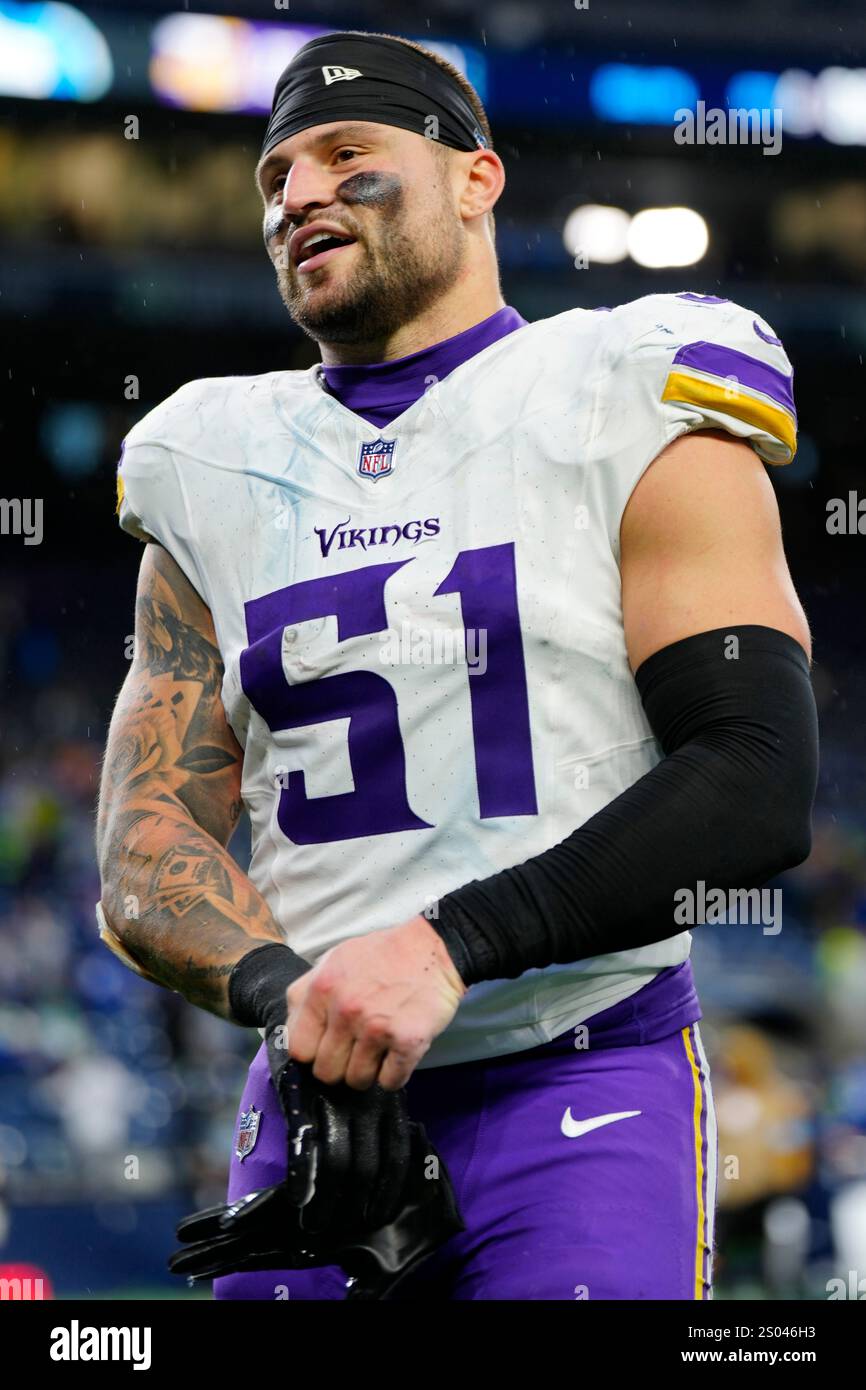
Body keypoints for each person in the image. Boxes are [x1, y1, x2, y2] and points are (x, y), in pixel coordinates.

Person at [96, 30, 818, 1300]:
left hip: (582, 1066)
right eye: (274, 178)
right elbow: (146, 845)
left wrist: (438, 951)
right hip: (322, 1090)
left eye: (344, 153)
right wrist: (295, 1003)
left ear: (474, 179)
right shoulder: (206, 458)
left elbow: (753, 778)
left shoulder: (621, 383)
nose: (297, 193)